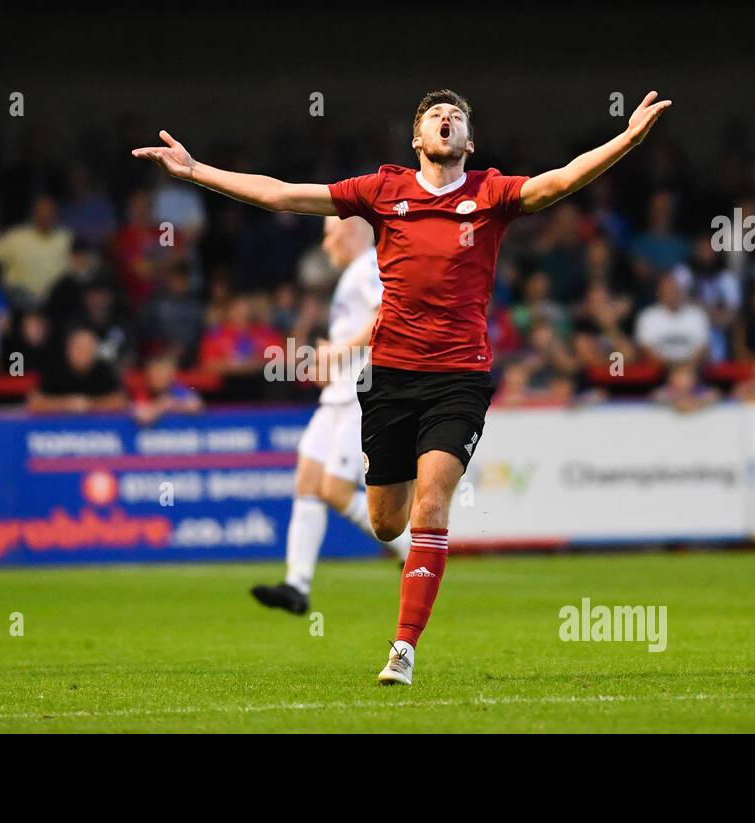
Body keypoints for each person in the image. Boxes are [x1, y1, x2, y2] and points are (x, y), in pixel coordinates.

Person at [135, 87, 671, 685]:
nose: (445, 120)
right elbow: (283, 194)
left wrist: (627, 138)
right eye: (434, 116)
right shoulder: (383, 191)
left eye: (456, 117)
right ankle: (397, 555)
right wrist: (194, 172)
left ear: (469, 142)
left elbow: (562, 181)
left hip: (460, 379)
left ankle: (403, 650)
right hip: (389, 377)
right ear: (417, 139)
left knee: (432, 504)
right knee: (387, 521)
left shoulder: (490, 194)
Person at [251, 216, 412, 616]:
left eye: (330, 234)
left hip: (363, 393)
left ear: (352, 231)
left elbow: (387, 318)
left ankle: (412, 552)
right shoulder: (352, 275)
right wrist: (331, 360)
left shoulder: (369, 267)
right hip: (338, 394)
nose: (326, 245)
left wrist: (339, 354)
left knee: (335, 490)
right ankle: (297, 585)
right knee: (308, 478)